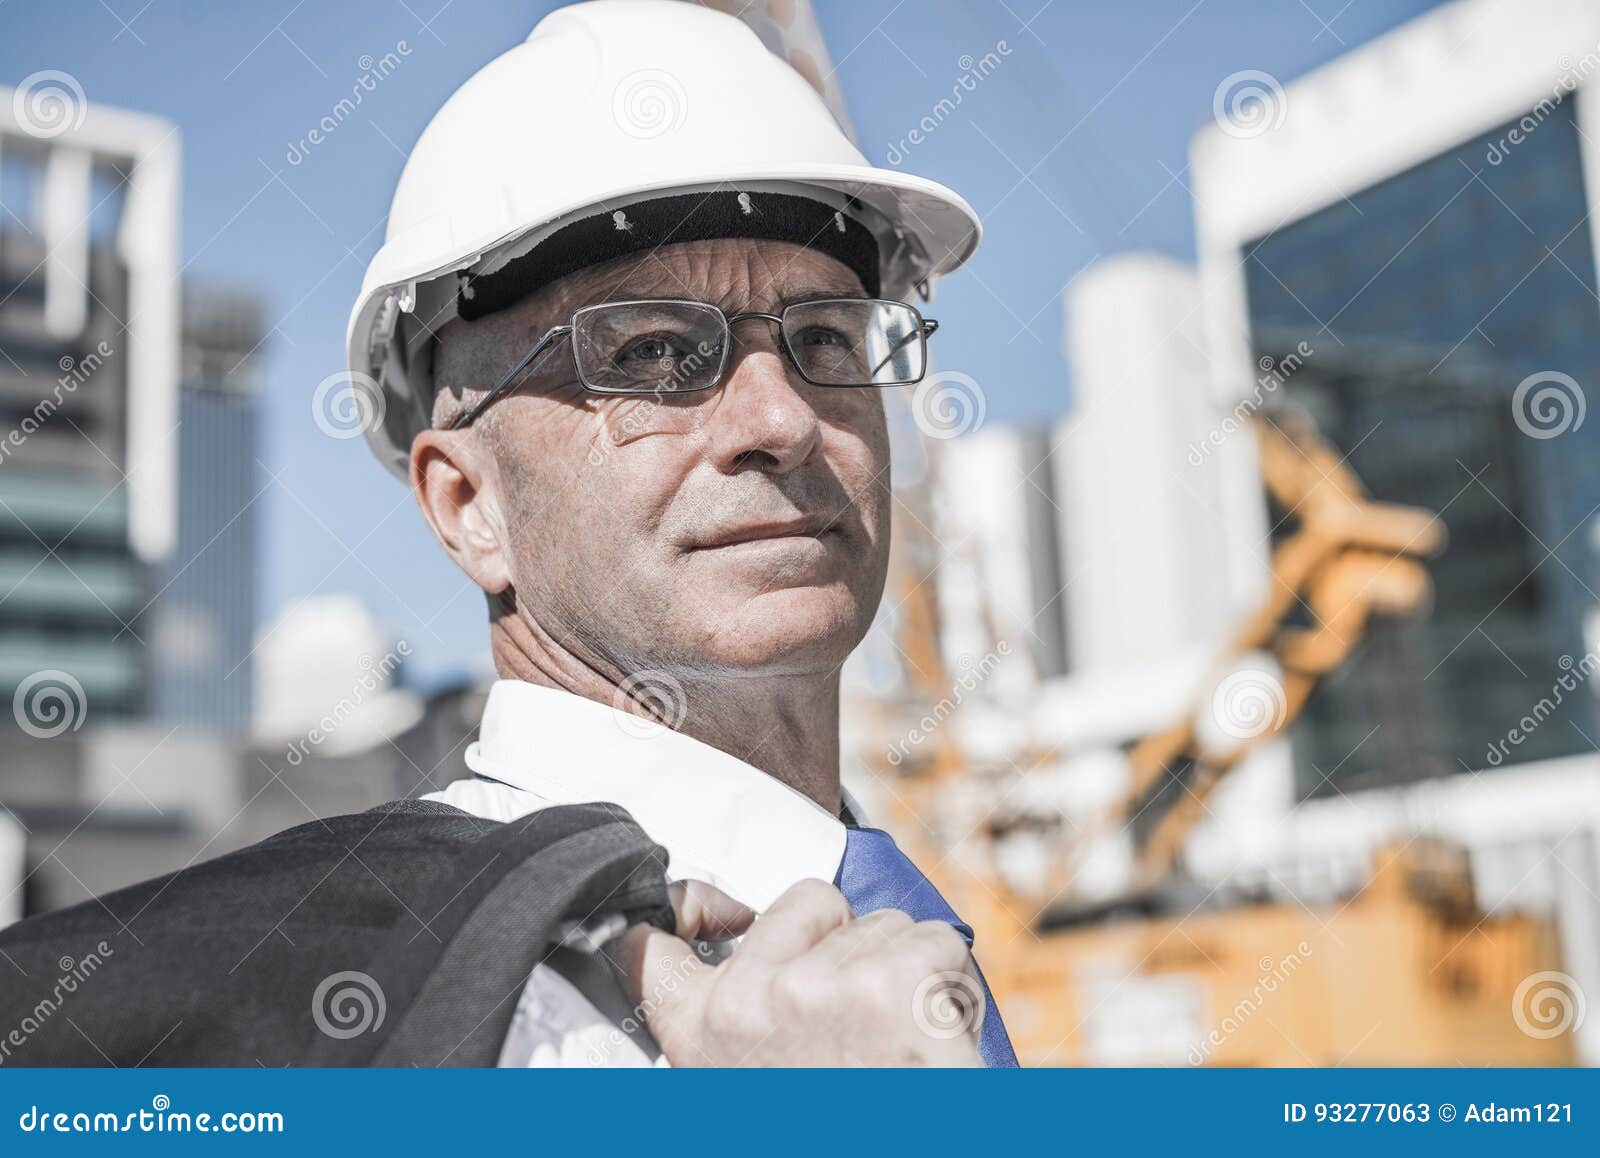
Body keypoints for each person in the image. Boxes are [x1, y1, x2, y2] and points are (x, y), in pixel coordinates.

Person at [2, 0, 1016, 1068]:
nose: (781, 418)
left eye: (826, 337)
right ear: (466, 506)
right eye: (651, 353)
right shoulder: (352, 1006)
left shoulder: (887, 920)